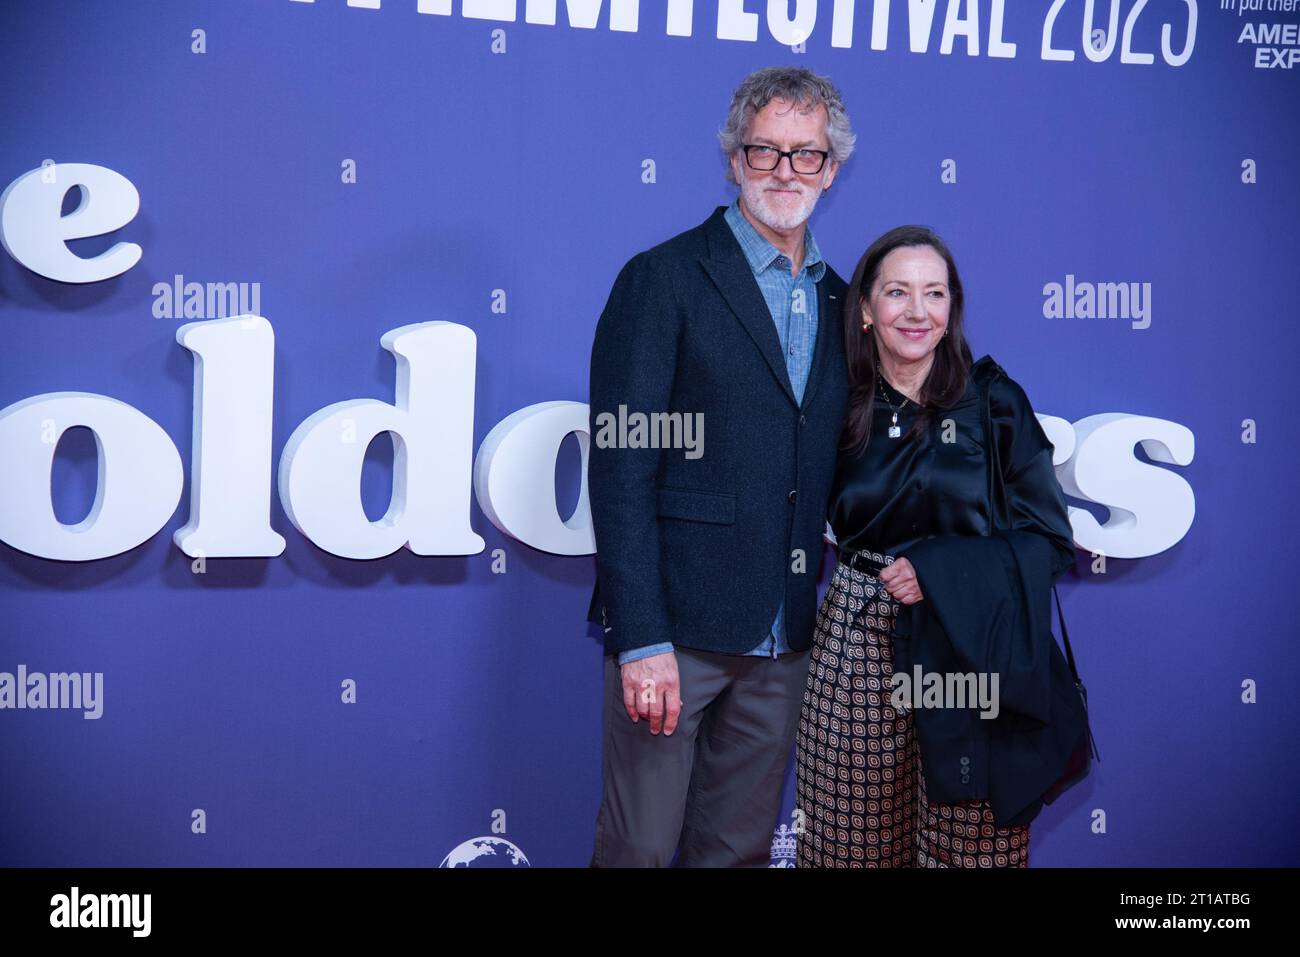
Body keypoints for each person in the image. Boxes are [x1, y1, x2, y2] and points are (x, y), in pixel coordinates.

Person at [586, 66, 855, 867]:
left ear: (830, 170)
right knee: (636, 848)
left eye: (805, 155)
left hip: (784, 638)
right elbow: (622, 467)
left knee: (735, 852)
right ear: (734, 160)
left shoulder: (846, 303)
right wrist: (641, 637)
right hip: (676, 632)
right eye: (764, 150)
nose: (784, 171)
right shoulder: (662, 278)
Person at [795, 225, 1089, 867]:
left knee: (971, 849)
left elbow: (1049, 541)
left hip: (974, 643)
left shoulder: (994, 403)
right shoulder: (835, 406)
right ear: (866, 310)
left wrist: (939, 570)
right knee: (847, 848)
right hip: (858, 638)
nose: (917, 311)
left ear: (952, 307)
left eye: (934, 293)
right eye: (897, 292)